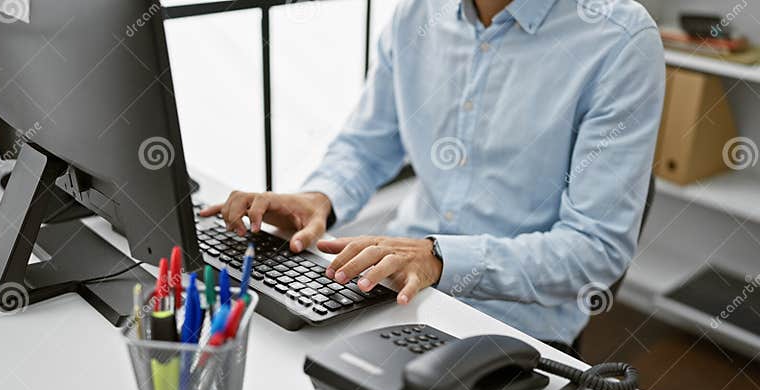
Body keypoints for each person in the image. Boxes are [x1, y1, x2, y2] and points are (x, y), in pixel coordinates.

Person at [201, 0, 665, 346]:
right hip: (392, 293)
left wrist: (440, 258)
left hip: (516, 327)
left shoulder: (618, 40)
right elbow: (367, 145)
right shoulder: (418, 13)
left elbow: (595, 249)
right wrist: (320, 198)